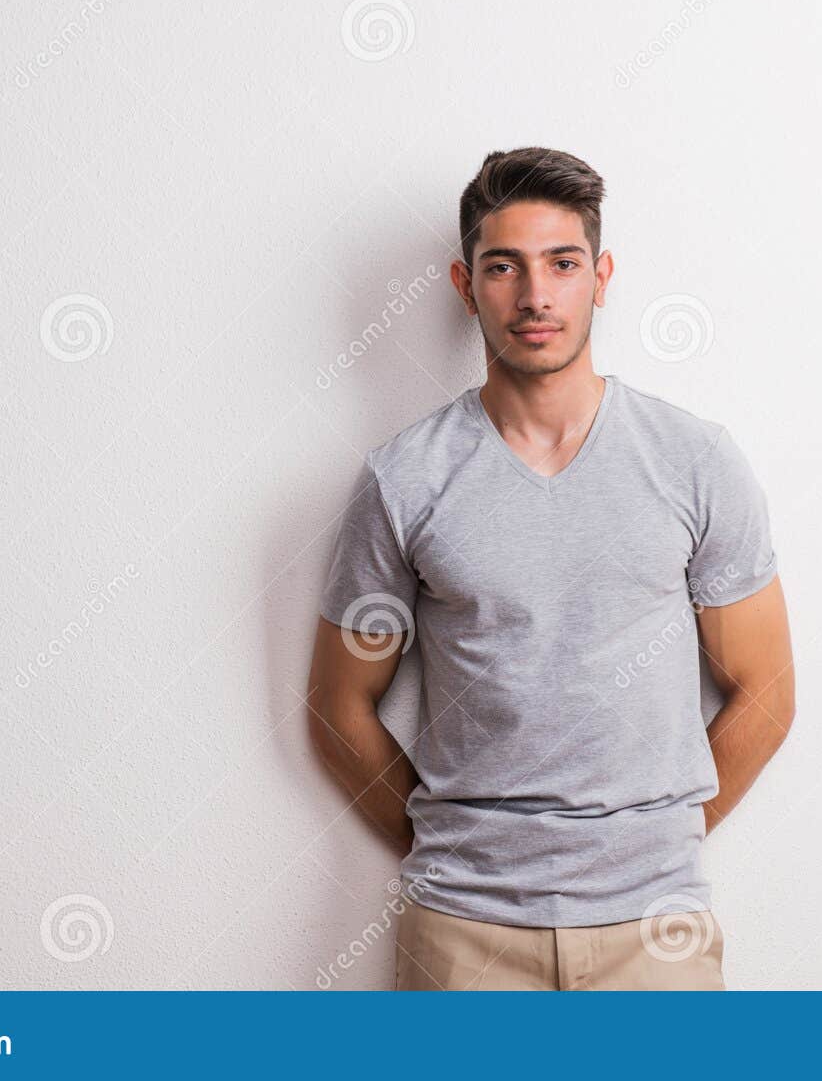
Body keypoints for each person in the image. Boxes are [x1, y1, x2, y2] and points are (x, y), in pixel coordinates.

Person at [307, 147, 794, 990]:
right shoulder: (404, 479)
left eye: (562, 264)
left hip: (655, 930)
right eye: (504, 267)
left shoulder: (694, 461)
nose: (535, 295)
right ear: (466, 287)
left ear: (600, 278)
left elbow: (767, 689)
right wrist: (455, 847)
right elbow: (338, 703)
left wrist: (651, 846)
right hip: (463, 928)